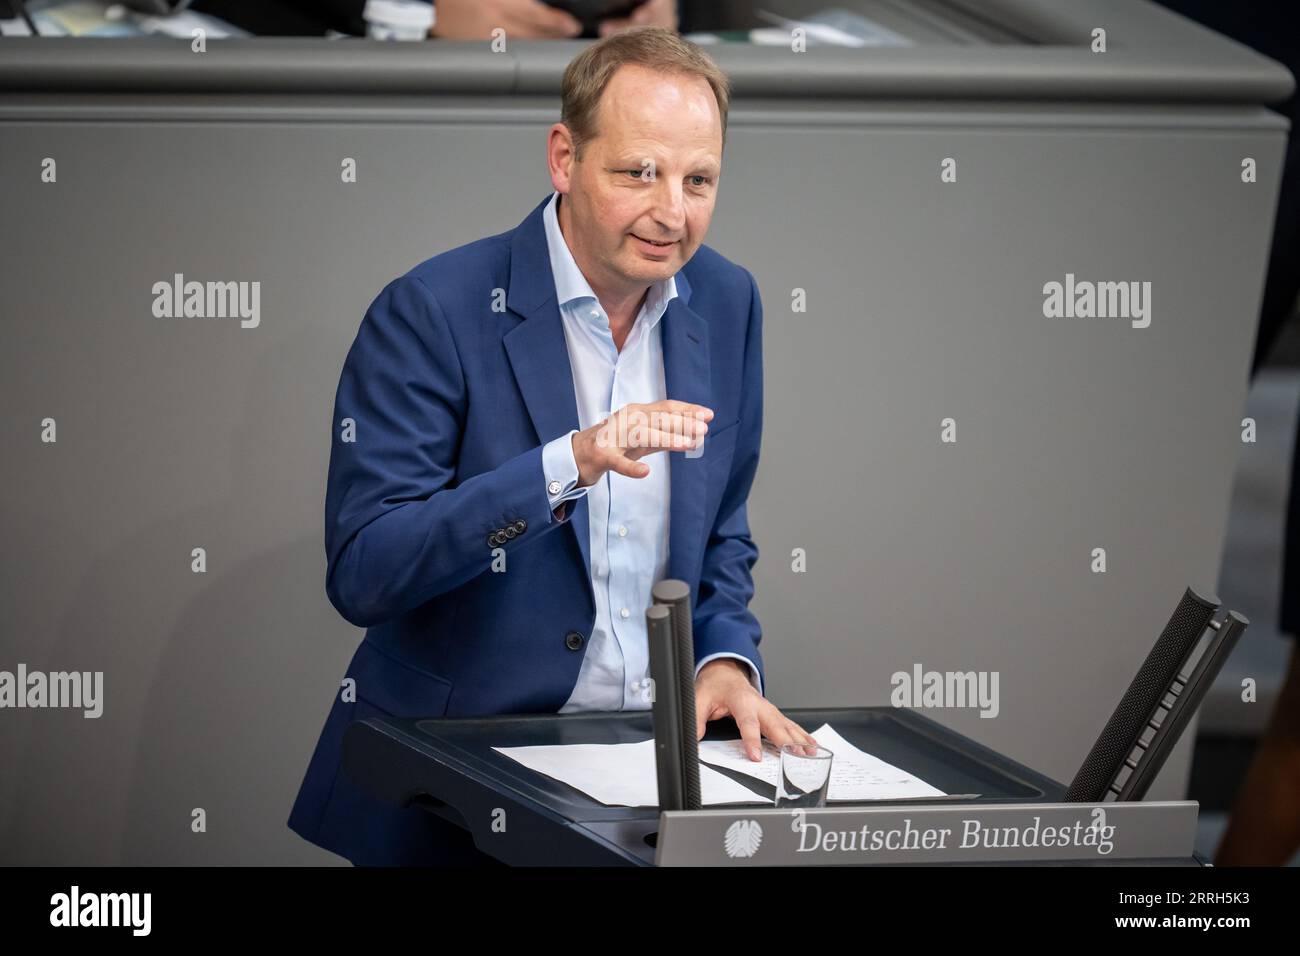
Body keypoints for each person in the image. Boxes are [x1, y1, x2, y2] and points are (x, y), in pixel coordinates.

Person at [288, 25, 817, 866]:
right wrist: (570, 462)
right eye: (639, 172)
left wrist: (725, 659)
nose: (672, 212)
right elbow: (366, 570)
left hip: (641, 784)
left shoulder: (727, 299)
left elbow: (722, 531)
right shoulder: (434, 310)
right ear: (565, 157)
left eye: (699, 179)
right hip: (452, 789)